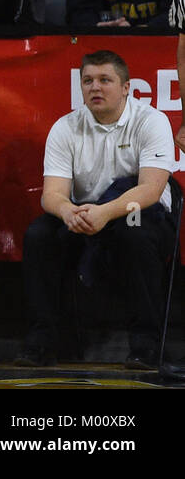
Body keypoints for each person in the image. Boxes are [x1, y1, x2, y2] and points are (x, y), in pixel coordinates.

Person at [16, 50, 177, 369]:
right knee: (39, 235)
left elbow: (151, 189)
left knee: (135, 234)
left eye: (105, 80)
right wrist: (67, 212)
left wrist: (105, 213)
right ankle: (42, 340)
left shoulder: (152, 120)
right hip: (85, 213)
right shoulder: (65, 127)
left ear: (127, 87)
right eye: (88, 81)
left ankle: (145, 346)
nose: (95, 88)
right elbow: (52, 195)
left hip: (138, 212)